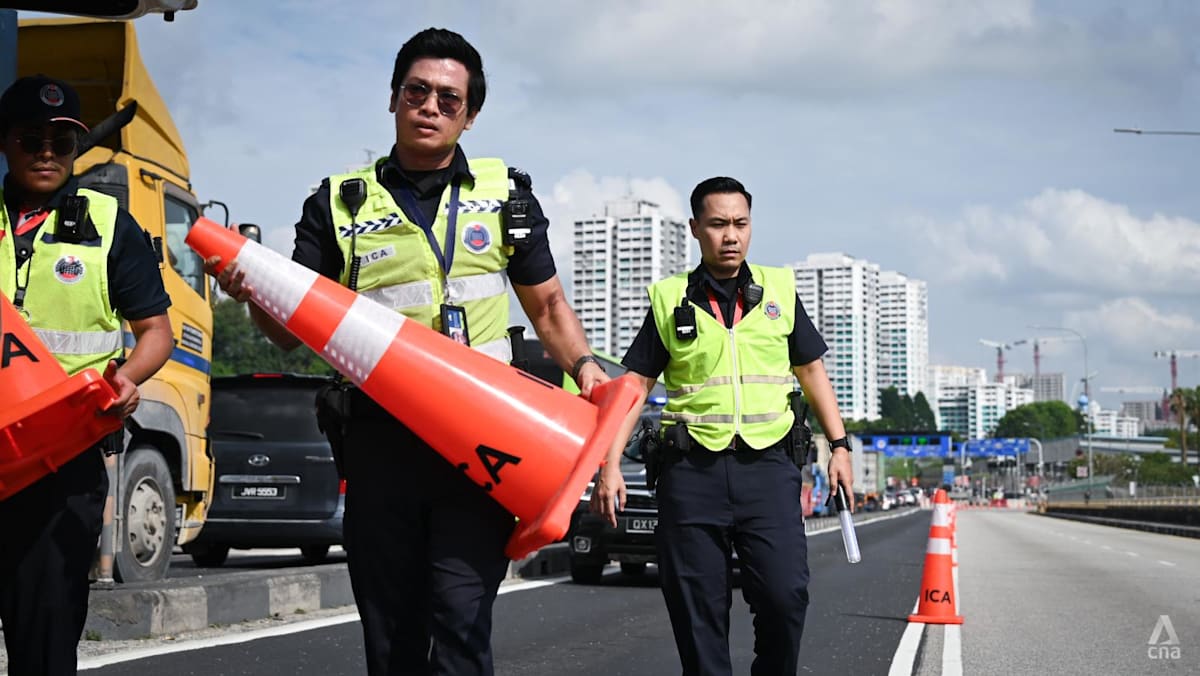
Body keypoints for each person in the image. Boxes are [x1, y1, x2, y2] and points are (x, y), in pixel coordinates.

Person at [206, 28, 607, 676]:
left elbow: (549, 308)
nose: (430, 107)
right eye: (417, 92)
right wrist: (250, 290)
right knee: (391, 640)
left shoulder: (505, 197)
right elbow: (288, 328)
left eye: (449, 99)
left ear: (470, 114)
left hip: (479, 450)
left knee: (461, 627)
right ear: (393, 98)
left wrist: (588, 375)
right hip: (379, 445)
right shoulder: (338, 201)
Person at [592, 177, 854, 676]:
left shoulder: (780, 290)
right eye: (717, 224)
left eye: (740, 223)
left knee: (785, 596)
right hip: (691, 475)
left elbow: (812, 370)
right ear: (695, 229)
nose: (730, 235)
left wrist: (839, 446)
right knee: (697, 613)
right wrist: (610, 464)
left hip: (769, 468)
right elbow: (636, 387)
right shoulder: (670, 299)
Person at [0, 75, 174, 676]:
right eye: (31, 138)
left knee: (45, 632)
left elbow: (156, 332)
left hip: (61, 461)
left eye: (62, 142)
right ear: (5, 143)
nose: (47, 152)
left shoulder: (110, 224)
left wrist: (127, 379)